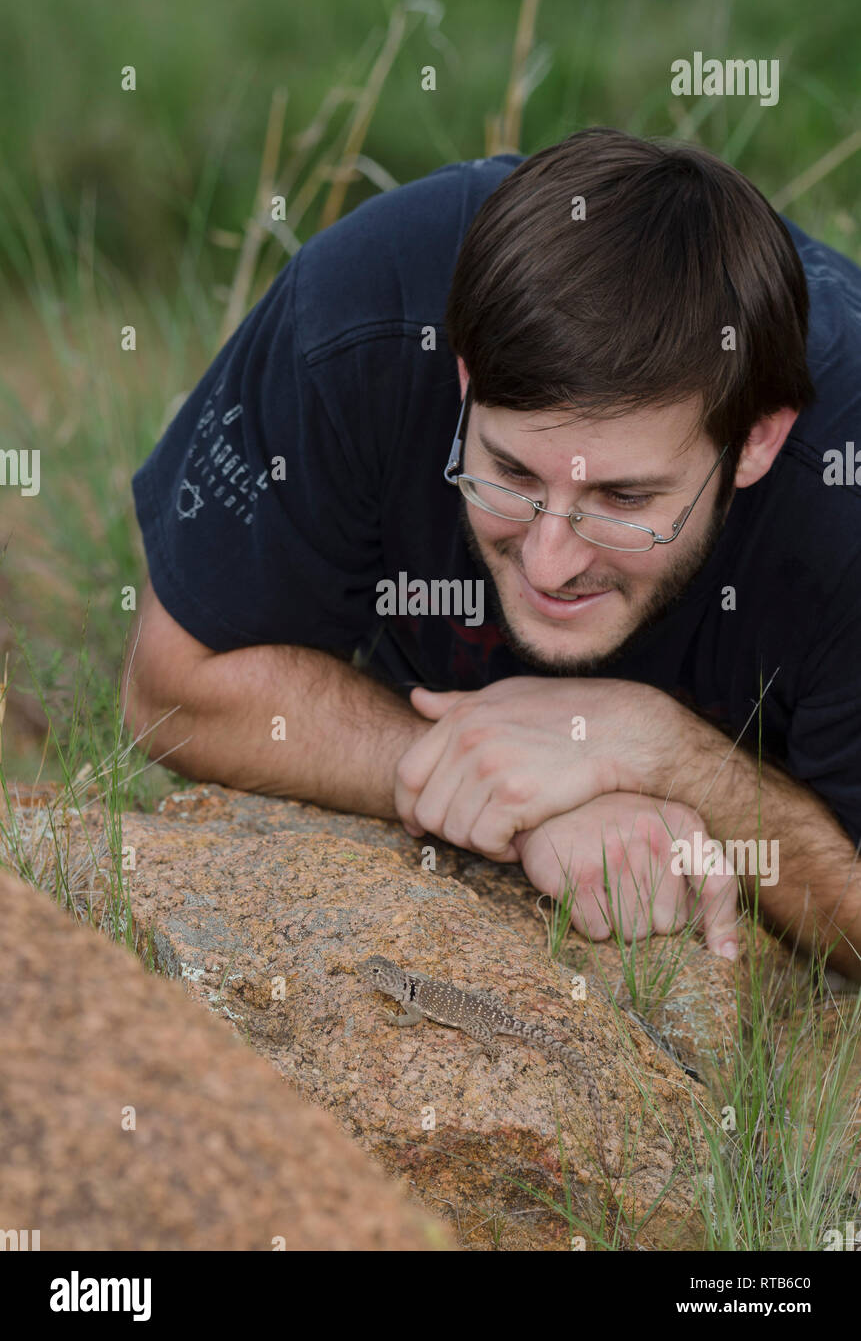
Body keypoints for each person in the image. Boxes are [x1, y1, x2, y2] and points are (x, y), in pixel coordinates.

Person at [125, 128, 861, 977]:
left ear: (757, 441)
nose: (549, 563)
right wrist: (506, 788)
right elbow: (169, 684)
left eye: (623, 500)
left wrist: (666, 754)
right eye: (508, 472)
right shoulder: (371, 308)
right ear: (467, 380)